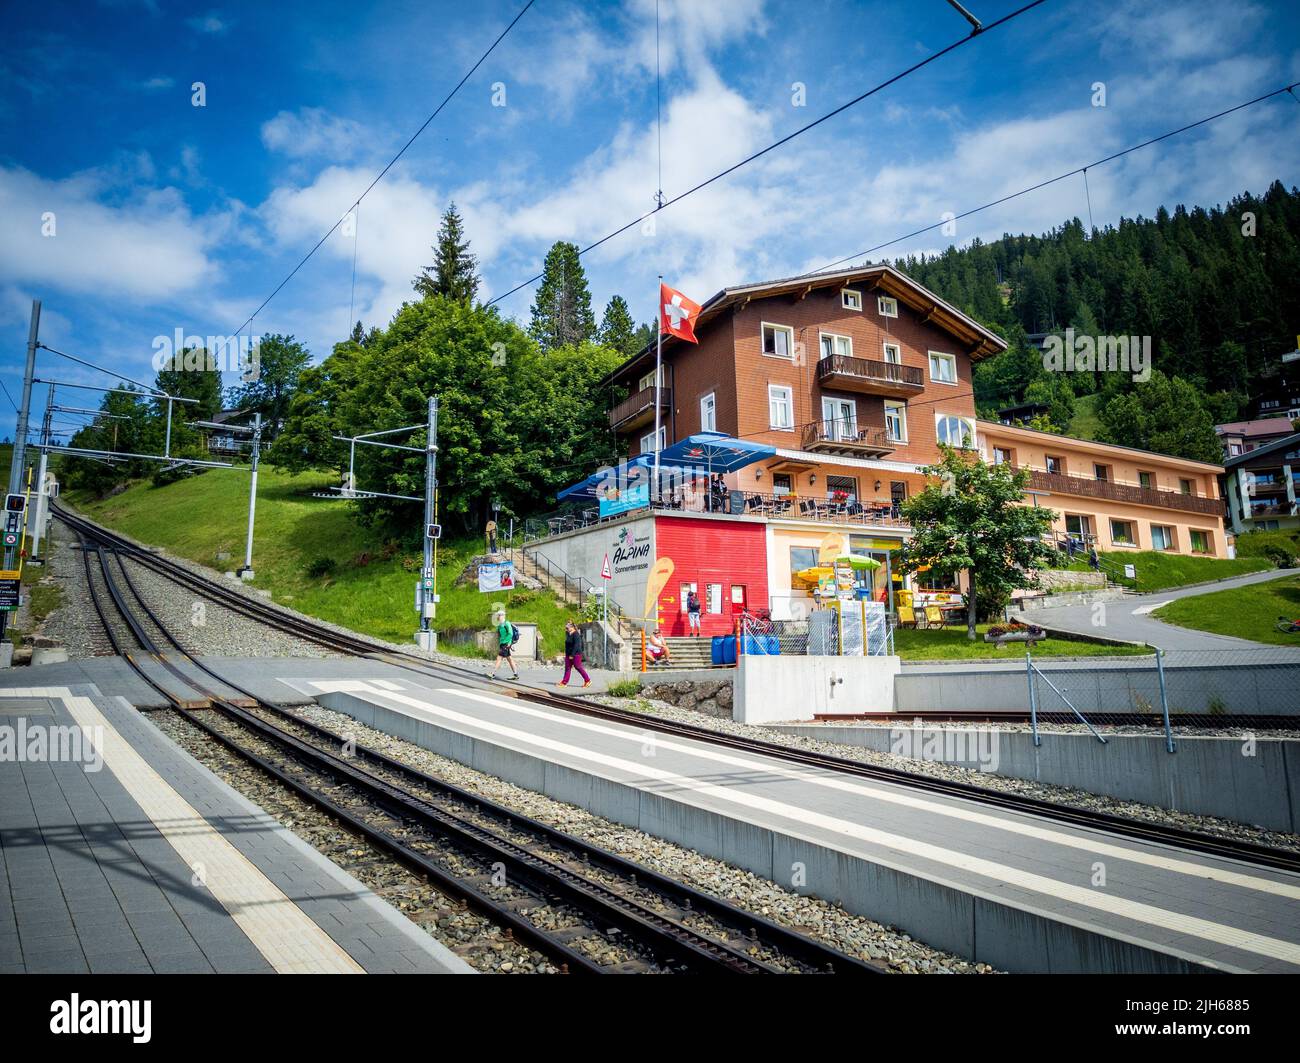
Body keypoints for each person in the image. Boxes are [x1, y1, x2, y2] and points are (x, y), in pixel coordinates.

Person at [558, 620, 591, 687]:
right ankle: (564, 682)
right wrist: (567, 654)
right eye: (566, 628)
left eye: (567, 628)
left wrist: (572, 655)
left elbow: (576, 645)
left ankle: (587, 680)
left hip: (576, 654)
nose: (566, 629)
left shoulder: (576, 634)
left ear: (572, 627)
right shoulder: (568, 633)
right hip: (568, 654)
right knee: (567, 668)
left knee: (578, 667)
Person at [490, 610, 518, 680]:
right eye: (497, 615)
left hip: (506, 644)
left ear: (502, 616)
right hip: (502, 644)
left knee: (499, 658)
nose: (498, 617)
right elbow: (501, 635)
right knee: (510, 659)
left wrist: (509, 643)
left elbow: (510, 633)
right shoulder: (500, 625)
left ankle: (492, 673)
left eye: (499, 615)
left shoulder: (507, 623)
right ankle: (515, 674)